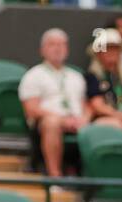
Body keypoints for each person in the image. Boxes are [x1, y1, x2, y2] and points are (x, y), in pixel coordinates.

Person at [20, 29, 88, 178]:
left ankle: (94, 182)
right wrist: (61, 119)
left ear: (67, 49)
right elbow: (31, 109)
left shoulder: (76, 76)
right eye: (52, 44)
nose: (57, 48)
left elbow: (85, 106)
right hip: (48, 122)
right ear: (42, 49)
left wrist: (84, 119)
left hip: (76, 121)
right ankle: (54, 176)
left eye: (62, 44)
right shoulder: (33, 75)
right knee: (52, 122)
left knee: (102, 126)